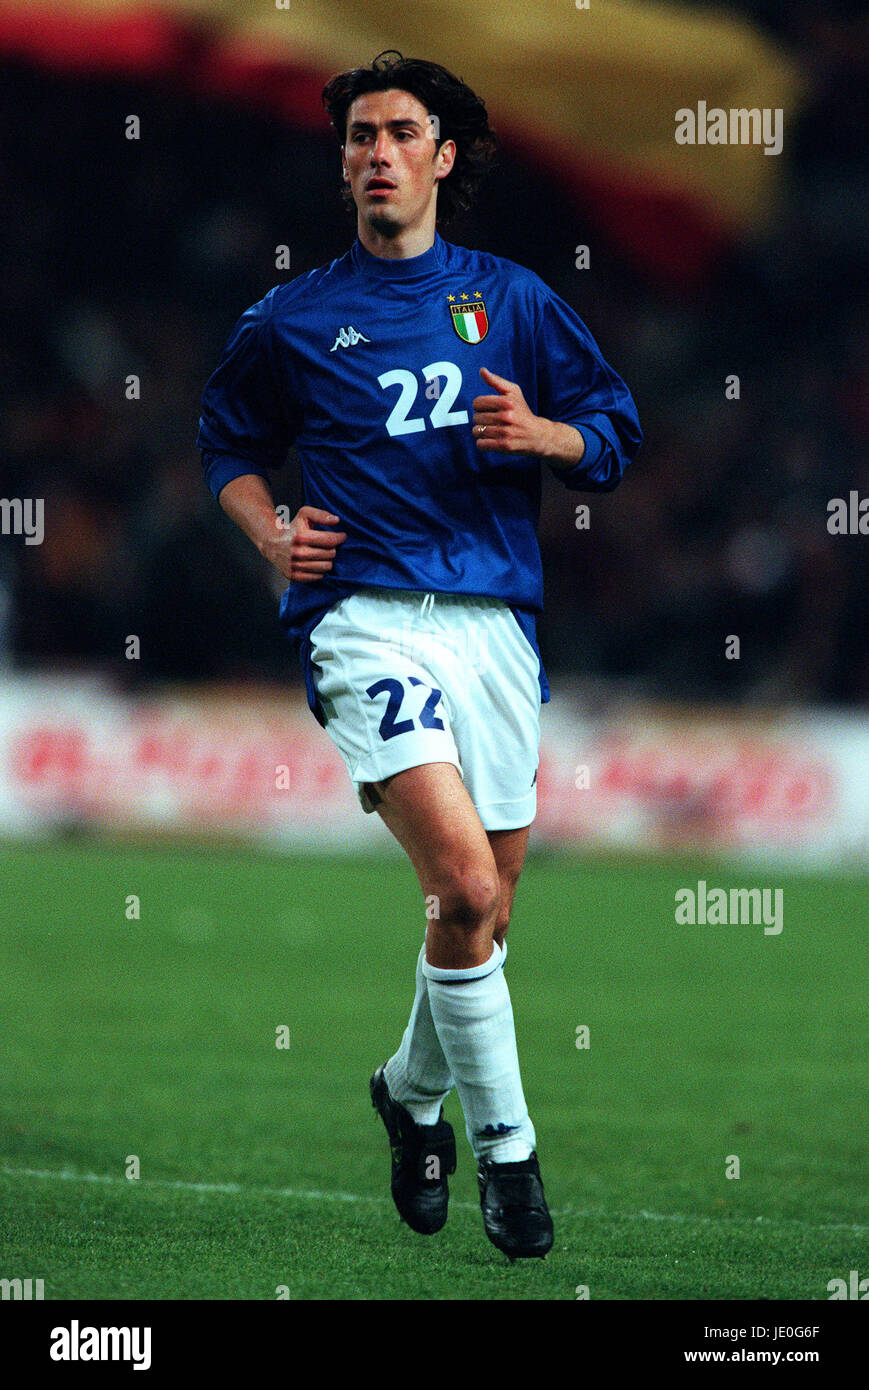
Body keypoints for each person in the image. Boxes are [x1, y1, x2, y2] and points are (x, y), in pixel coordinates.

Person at [197, 51, 641, 1260]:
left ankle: (406, 1091)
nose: (376, 153)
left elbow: (613, 432)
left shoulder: (512, 299)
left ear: (444, 156)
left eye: (399, 132)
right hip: (363, 619)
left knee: (481, 918)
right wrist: (272, 535)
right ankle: (509, 1153)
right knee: (460, 881)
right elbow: (224, 443)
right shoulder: (289, 317)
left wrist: (545, 431)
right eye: (356, 136)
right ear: (341, 161)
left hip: (496, 625)